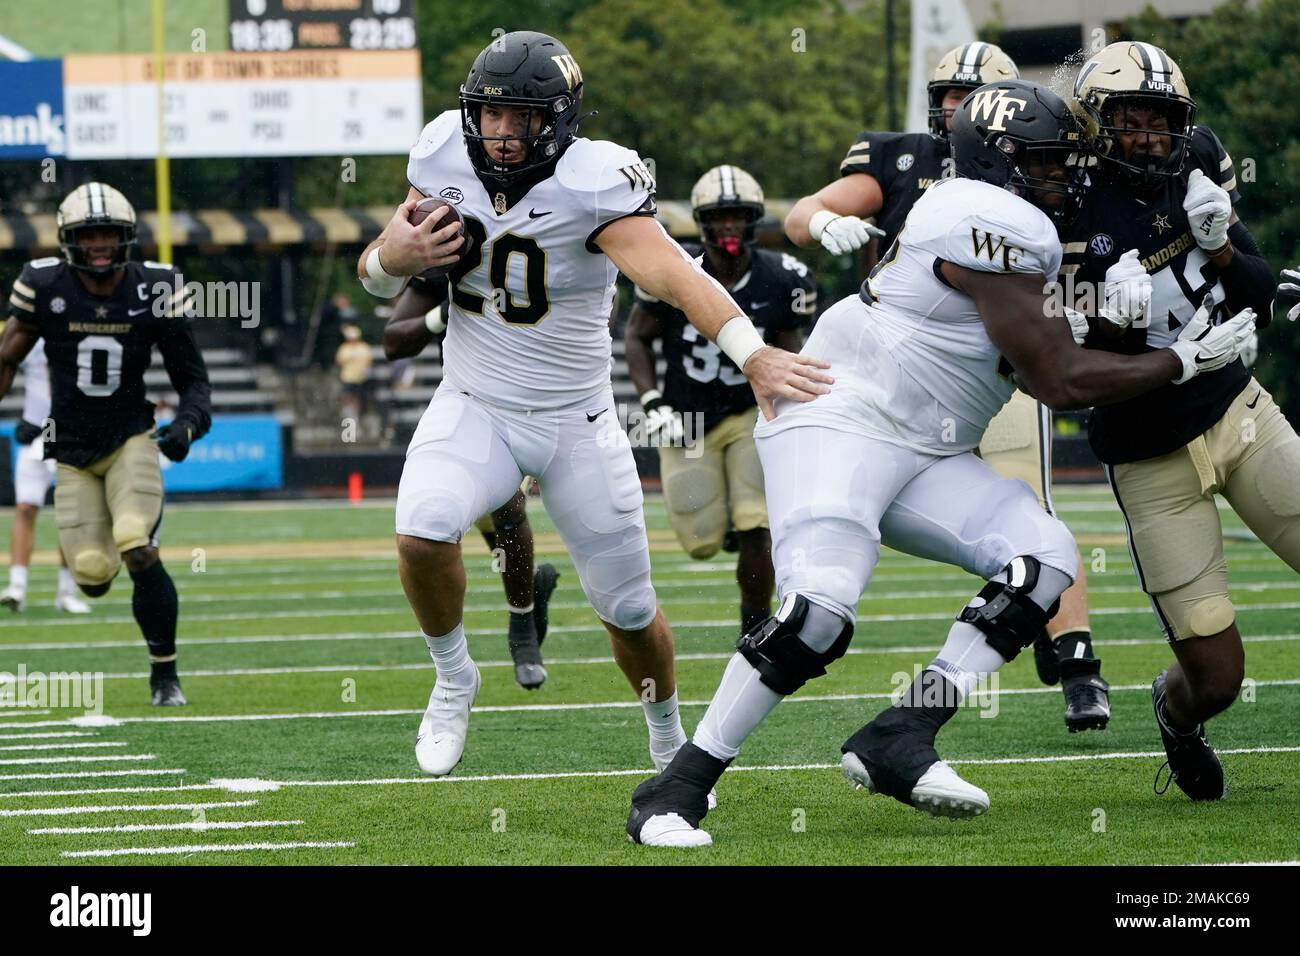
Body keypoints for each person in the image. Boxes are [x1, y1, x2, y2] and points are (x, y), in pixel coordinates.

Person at [626, 80, 1257, 847]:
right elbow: (1055, 378)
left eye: (1070, 160)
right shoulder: (982, 218)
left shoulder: (1022, 224)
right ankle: (673, 791)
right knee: (819, 614)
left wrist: (1106, 316)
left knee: (1046, 557)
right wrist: (1177, 360)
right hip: (843, 422)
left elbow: (1028, 358)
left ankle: (902, 732)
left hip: (929, 443)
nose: (1071, 176)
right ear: (1000, 166)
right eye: (1051, 162)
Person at [355, 32, 829, 777]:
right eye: (491, 115)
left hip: (577, 421)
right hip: (475, 399)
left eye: (523, 119)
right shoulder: (444, 151)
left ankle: (668, 735)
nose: (503, 135)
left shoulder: (595, 181)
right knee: (420, 529)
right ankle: (454, 676)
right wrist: (393, 260)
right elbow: (378, 275)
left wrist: (754, 353)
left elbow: (673, 276)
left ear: (562, 119)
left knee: (631, 612)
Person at [784, 41, 1109, 731]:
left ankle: (1076, 658)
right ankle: (806, 621)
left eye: (972, 95)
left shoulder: (1039, 164)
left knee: (1032, 505)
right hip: (898, 374)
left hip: (997, 364)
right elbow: (801, 213)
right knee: (841, 522)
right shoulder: (900, 155)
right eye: (947, 93)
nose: (954, 106)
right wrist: (821, 220)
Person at [1066, 42, 1294, 800]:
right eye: (1132, 120)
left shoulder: (1197, 163)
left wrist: (1221, 245)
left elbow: (1259, 292)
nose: (1151, 138)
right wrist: (1108, 315)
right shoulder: (1063, 199)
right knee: (1218, 678)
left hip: (1238, 411)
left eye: (1164, 121)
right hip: (1147, 454)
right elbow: (1069, 370)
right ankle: (1175, 713)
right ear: (1098, 126)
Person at [0, 182, 211, 705]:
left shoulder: (154, 287)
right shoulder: (43, 283)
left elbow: (193, 378)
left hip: (129, 440)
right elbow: (7, 358)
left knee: (137, 544)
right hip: (71, 452)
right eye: (88, 235)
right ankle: (105, 581)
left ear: (126, 239)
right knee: (93, 574)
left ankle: (165, 674)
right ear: (69, 240)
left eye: (108, 235)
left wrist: (187, 424)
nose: (98, 245)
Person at [625, 164, 816, 638]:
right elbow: (636, 337)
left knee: (758, 522)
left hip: (752, 410)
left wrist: (796, 410)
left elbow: (791, 344)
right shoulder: (673, 270)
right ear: (702, 221)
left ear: (753, 220)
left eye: (737, 216)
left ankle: (753, 628)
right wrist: (651, 403)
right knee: (700, 543)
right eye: (718, 217)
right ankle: (730, 521)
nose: (728, 226)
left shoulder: (781, 277)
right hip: (685, 417)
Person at [382, 274, 560, 690]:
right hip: (473, 404)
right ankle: (528, 601)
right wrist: (440, 316)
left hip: (544, 400)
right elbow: (393, 341)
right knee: (471, 518)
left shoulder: (561, 232)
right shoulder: (455, 239)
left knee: (507, 510)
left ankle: (523, 632)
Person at [1, 340, 91, 614]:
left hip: (69, 434)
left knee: (70, 514)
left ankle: (66, 591)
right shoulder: (32, 335)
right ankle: (17, 586)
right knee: (26, 507)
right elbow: (8, 358)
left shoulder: (79, 332)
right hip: (36, 434)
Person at [335, 323, 372, 427]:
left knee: (358, 397)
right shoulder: (344, 348)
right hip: (348, 377)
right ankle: (349, 413)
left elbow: (368, 361)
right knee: (348, 395)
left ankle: (356, 416)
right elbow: (339, 361)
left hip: (360, 377)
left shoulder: (363, 347)